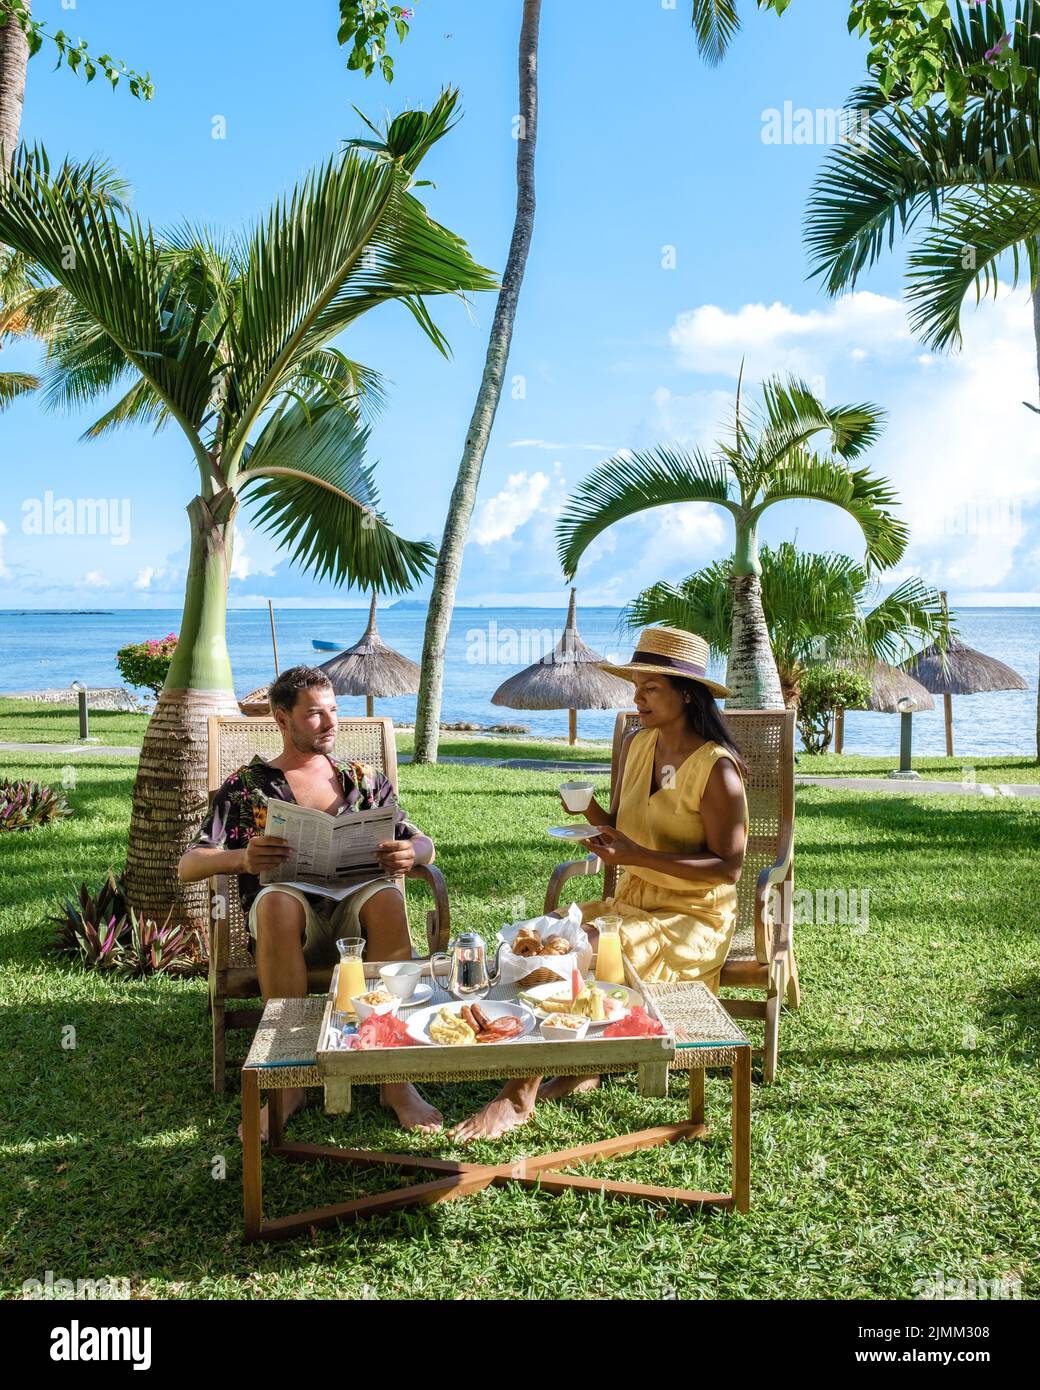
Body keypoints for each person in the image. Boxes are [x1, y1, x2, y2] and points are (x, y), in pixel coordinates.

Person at [451, 626, 749, 1143]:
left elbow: (729, 867)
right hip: (632, 900)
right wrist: (590, 814)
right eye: (635, 687)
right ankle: (578, 1063)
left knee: (578, 950)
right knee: (541, 936)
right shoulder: (639, 745)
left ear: (686, 694)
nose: (637, 698)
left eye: (650, 688)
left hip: (691, 916)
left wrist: (636, 856)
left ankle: (517, 1095)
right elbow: (624, 827)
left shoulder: (717, 770)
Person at [177, 664, 442, 1136]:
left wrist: (412, 853)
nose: (330, 722)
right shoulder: (249, 787)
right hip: (289, 928)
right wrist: (242, 859)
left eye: (334, 710)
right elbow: (189, 864)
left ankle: (394, 1079)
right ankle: (290, 1080)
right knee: (277, 901)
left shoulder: (362, 779)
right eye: (315, 714)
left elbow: (422, 842)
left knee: (386, 898)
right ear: (282, 719)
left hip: (356, 924)